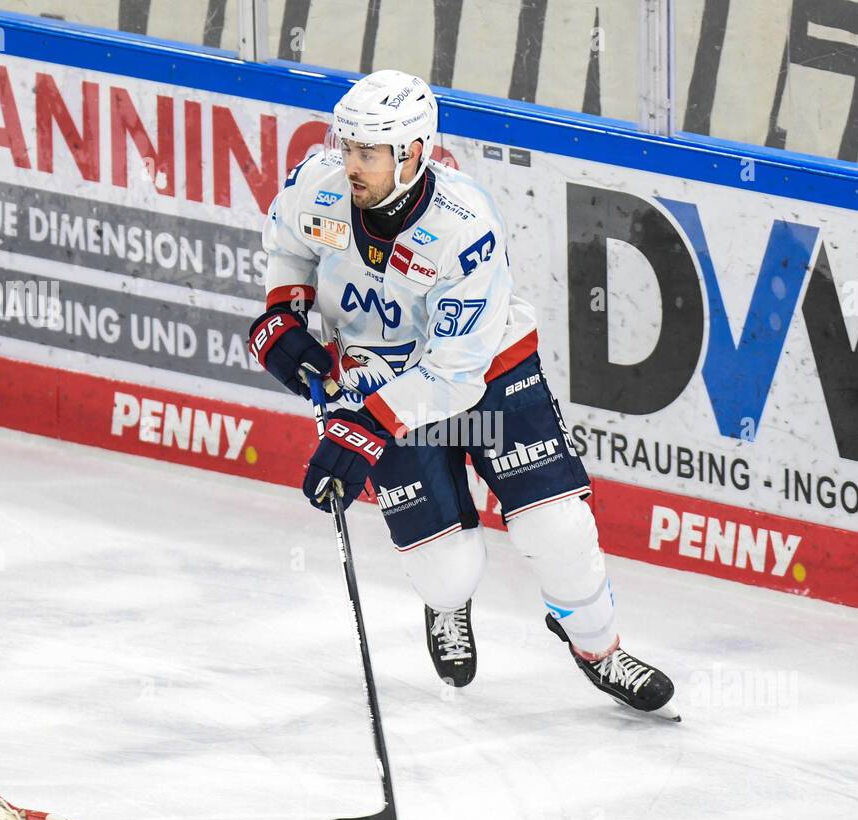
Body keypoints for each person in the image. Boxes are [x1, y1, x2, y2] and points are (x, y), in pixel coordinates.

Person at [250, 69, 677, 715]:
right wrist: (282, 311)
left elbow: (455, 374)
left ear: (413, 153)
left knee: (558, 530)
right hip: (378, 377)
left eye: (368, 153)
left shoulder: (463, 225)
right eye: (348, 147)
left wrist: (363, 426)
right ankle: (447, 603)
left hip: (486, 377)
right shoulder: (320, 186)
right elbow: (288, 247)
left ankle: (596, 644)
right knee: (444, 570)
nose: (352, 165)